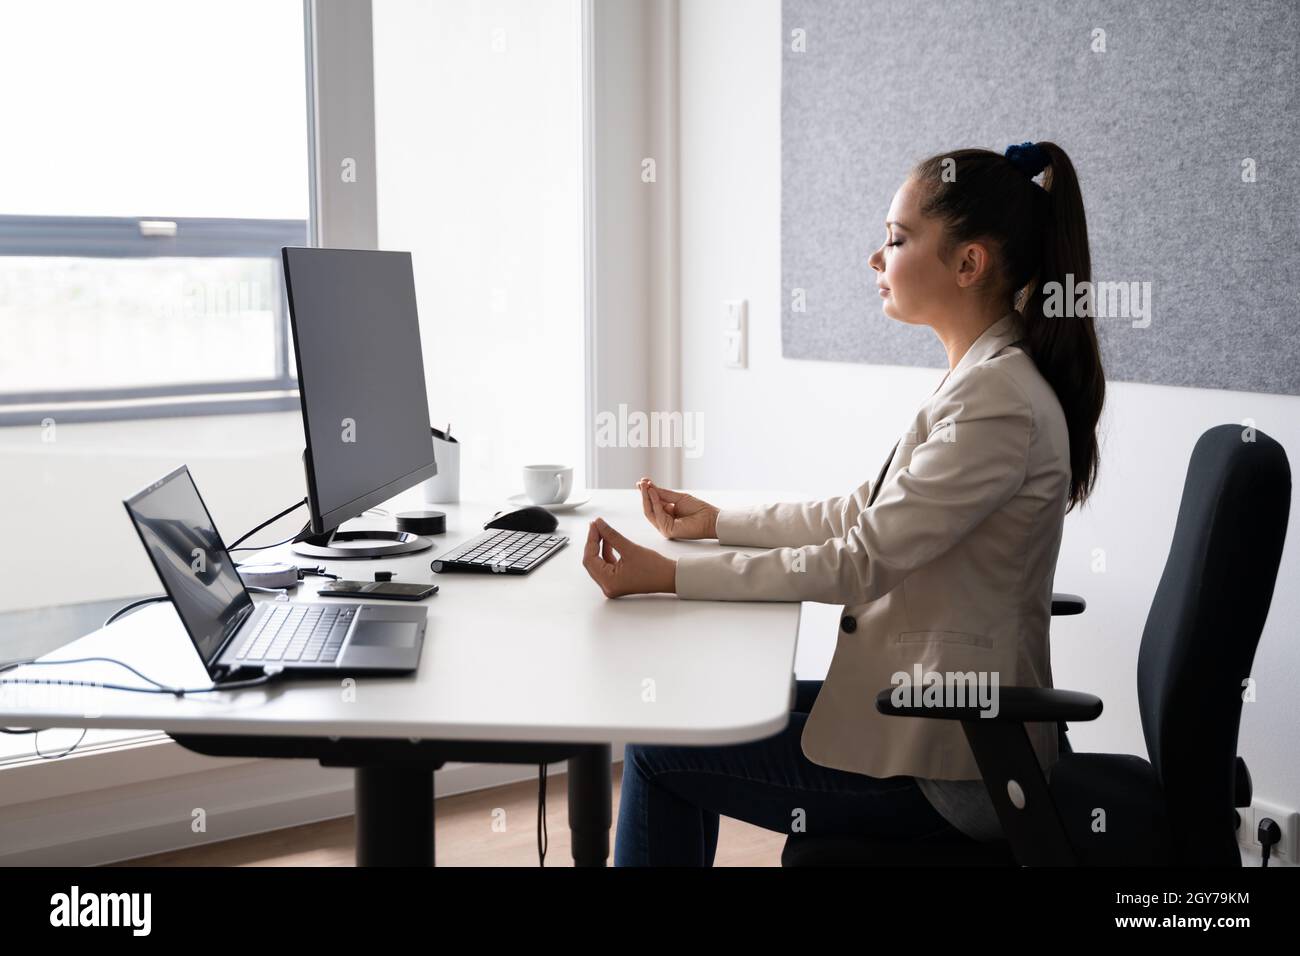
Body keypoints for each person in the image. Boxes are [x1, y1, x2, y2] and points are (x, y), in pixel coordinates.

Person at [581, 141, 1106, 866]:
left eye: (895, 239)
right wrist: (719, 523)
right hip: (928, 716)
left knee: (657, 750)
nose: (875, 259)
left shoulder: (997, 403)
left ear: (968, 264)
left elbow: (858, 561)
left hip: (950, 770)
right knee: (683, 717)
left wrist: (668, 574)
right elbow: (863, 512)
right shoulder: (984, 379)